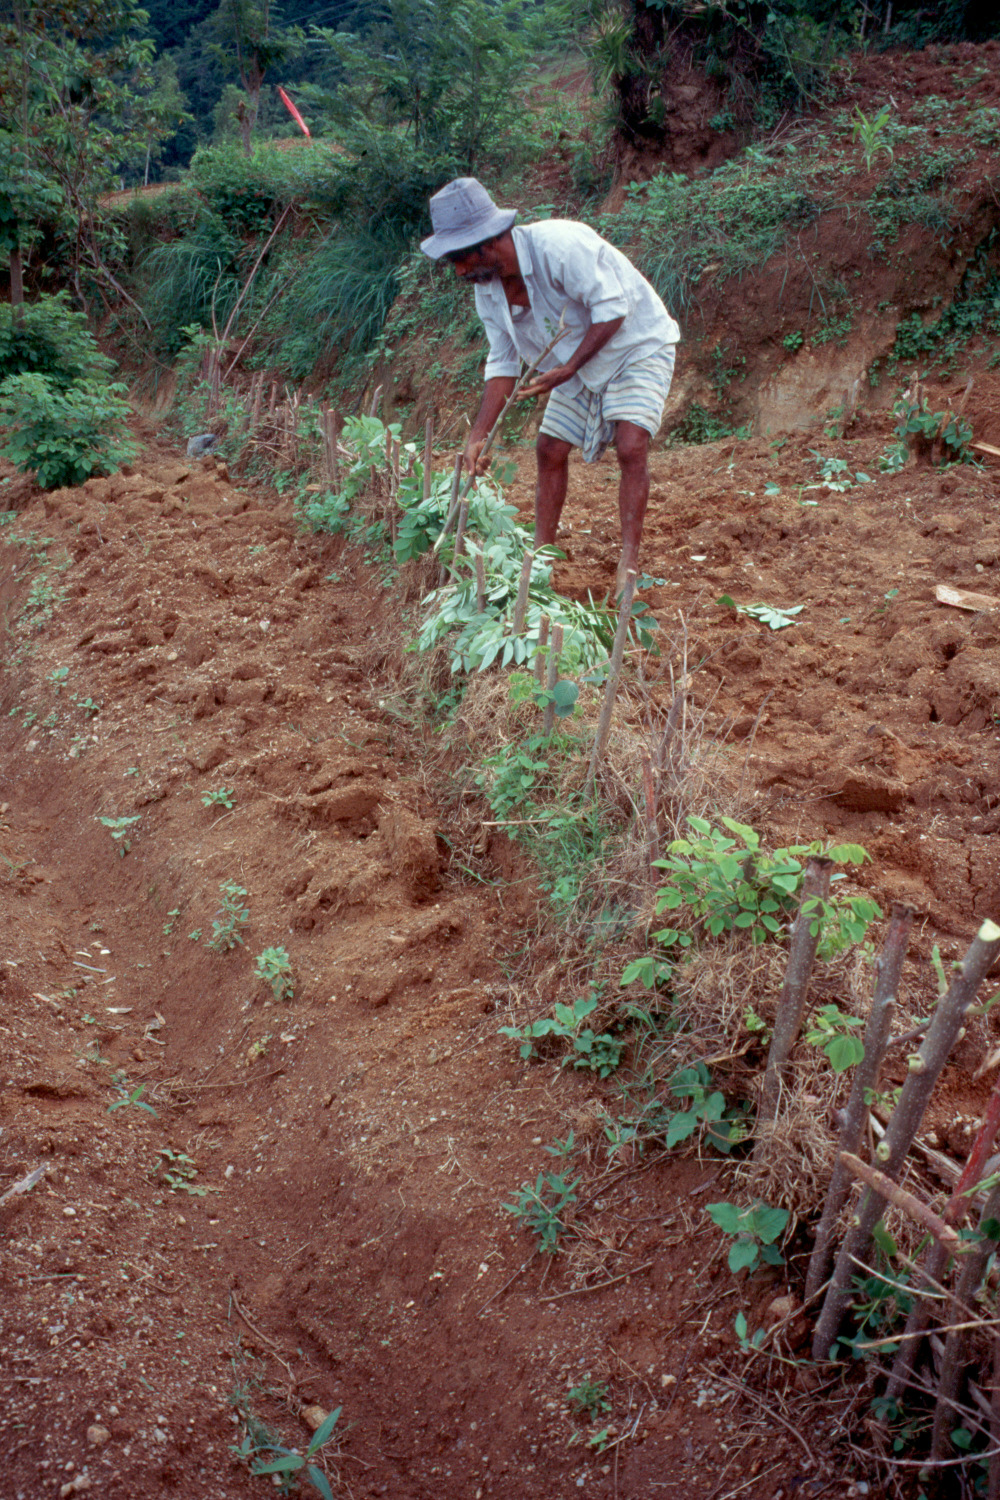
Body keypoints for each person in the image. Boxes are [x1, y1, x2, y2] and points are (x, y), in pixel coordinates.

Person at [420, 177, 680, 593]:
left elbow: (613, 309)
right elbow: (503, 362)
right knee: (549, 448)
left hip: (635, 343)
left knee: (631, 445)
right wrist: (478, 436)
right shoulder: (488, 290)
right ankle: (540, 561)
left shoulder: (560, 246)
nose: (458, 270)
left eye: (459, 258)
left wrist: (569, 368)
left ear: (484, 243)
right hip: (574, 363)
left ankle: (628, 564)